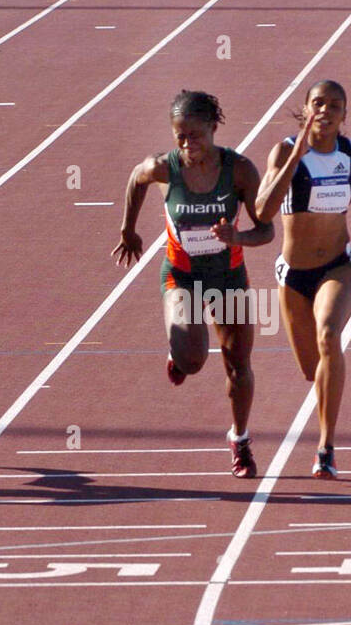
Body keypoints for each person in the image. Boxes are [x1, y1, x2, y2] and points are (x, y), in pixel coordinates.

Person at [112, 90, 271, 478]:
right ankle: (180, 354)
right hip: (182, 275)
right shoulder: (164, 168)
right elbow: (136, 177)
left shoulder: (240, 171)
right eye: (179, 136)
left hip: (228, 276)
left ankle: (240, 439)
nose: (187, 144)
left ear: (213, 128)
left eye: (195, 136)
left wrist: (239, 238)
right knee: (194, 360)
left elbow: (266, 230)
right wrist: (128, 229)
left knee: (238, 365)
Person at [256, 80, 351, 478]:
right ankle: (325, 437)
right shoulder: (286, 151)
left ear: (344, 114)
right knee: (311, 370)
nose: (326, 110)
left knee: (329, 336)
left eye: (335, 105)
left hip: (340, 264)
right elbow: (263, 211)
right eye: (318, 103)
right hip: (293, 274)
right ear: (306, 109)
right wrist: (294, 158)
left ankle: (326, 447)